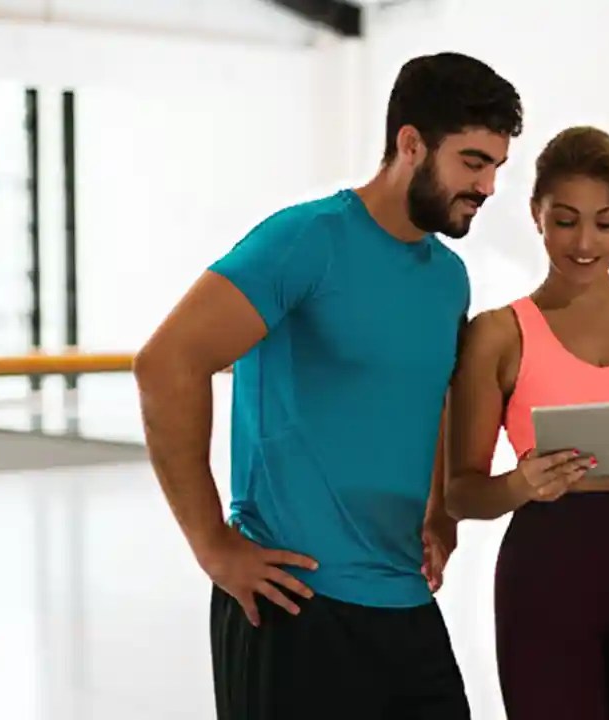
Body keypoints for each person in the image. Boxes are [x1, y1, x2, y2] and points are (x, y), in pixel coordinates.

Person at [133, 52, 523, 719]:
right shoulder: (306, 240)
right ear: (410, 144)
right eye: (473, 162)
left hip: (402, 600)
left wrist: (438, 513)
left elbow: (427, 399)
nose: (487, 186)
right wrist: (213, 546)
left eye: (496, 167)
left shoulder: (447, 279)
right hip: (293, 601)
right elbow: (168, 363)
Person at [445, 126, 609, 719]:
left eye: (605, 222)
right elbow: (461, 492)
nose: (585, 241)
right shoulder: (497, 335)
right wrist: (520, 485)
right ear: (536, 214)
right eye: (565, 220)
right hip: (547, 570)